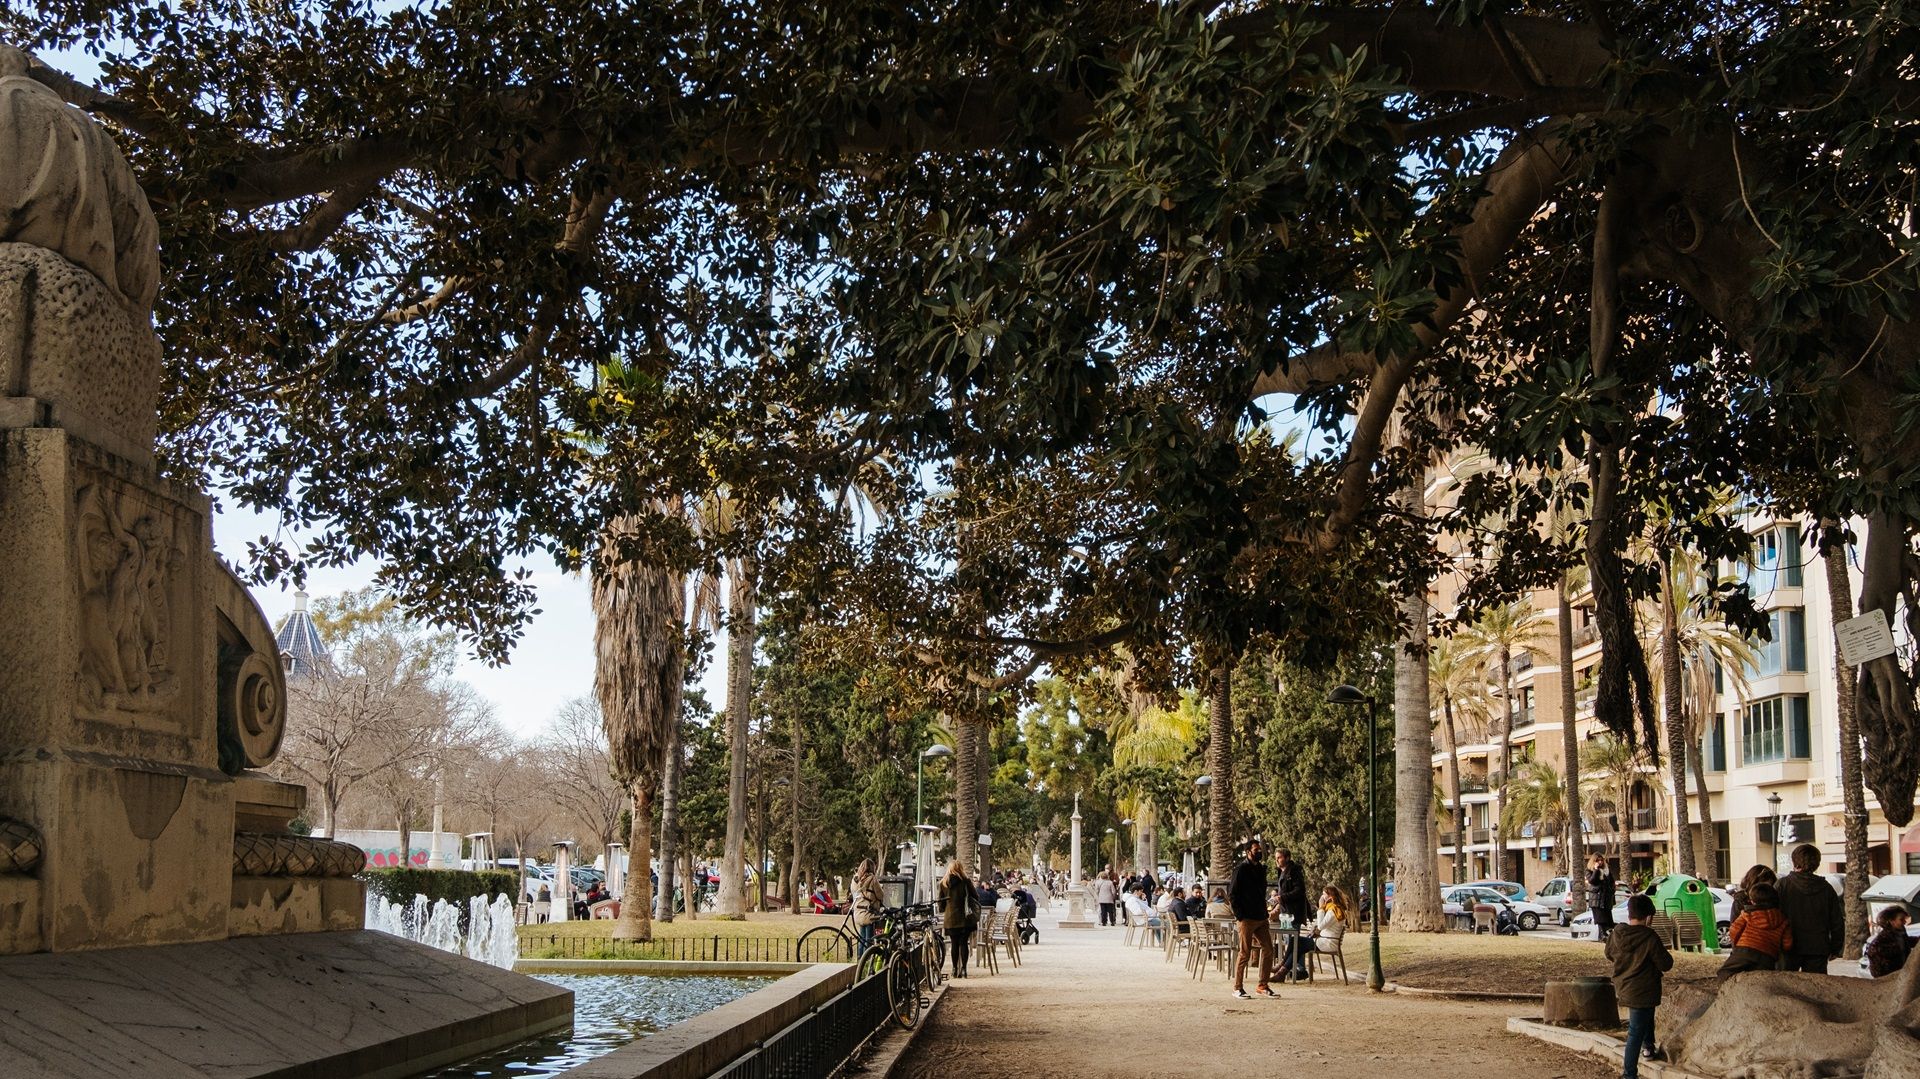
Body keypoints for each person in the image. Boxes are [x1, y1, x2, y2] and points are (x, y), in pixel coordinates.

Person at [1609, 894, 1673, 1079]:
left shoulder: (1616, 934)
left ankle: (1649, 1048)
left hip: (1625, 985)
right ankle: (1629, 1074)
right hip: (1644, 988)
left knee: (1646, 1018)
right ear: (1649, 916)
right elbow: (1665, 964)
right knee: (1635, 1031)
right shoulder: (1649, 937)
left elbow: (1609, 953)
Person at [1777, 843, 1844, 973]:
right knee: (1815, 990)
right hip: (1817, 947)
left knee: (1786, 989)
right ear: (1817, 864)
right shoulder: (1826, 888)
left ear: (1794, 862)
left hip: (1788, 947)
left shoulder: (1782, 886)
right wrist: (1836, 948)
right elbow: (1837, 921)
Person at [1229, 840, 1277, 999]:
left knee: (1269, 949)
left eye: (1259, 849)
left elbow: (1261, 892)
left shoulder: (1261, 869)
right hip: (1246, 918)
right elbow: (1233, 894)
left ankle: (1263, 985)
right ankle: (1237, 987)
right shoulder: (1240, 869)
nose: (1259, 852)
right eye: (1256, 850)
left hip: (1261, 916)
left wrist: (1264, 912)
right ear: (1248, 851)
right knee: (1245, 953)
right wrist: (1239, 915)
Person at [1717, 880, 1792, 979]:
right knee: (1761, 979)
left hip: (1745, 950)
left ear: (1753, 901)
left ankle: (1728, 992)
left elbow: (1734, 930)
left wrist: (1738, 945)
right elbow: (1787, 944)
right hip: (1768, 957)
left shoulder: (1747, 914)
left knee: (1724, 972)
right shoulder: (1783, 920)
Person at [941, 859, 981, 978]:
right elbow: (975, 896)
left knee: (954, 944)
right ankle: (963, 969)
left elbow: (941, 904)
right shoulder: (966, 882)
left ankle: (954, 969)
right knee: (963, 943)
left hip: (950, 918)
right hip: (965, 918)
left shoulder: (943, 883)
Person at [1273, 848, 1309, 979]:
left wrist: (1283, 897)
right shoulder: (1281, 872)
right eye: (1276, 858)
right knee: (1289, 940)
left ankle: (1299, 969)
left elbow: (1299, 890)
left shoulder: (1294, 871)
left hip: (1293, 913)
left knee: (1294, 941)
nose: (1277, 860)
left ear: (1287, 858)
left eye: (1279, 857)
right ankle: (1294, 968)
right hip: (1285, 912)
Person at [1296, 885, 1348, 972]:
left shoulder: (1333, 910)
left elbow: (1320, 926)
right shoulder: (1332, 908)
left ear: (1330, 897)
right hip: (1325, 941)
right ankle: (1288, 969)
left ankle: (1290, 969)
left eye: (1324, 894)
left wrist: (1320, 907)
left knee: (1296, 942)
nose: (1322, 897)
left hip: (1327, 943)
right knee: (1296, 943)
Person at [1866, 906, 1913, 978]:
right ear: (1891, 921)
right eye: (1901, 919)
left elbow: (1907, 941)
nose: (1904, 922)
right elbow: (1877, 972)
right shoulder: (1879, 944)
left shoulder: (1900, 933)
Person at [851, 858, 881, 956]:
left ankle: (860, 961)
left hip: (858, 911)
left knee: (861, 939)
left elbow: (854, 893)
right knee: (869, 941)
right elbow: (880, 895)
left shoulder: (855, 879)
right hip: (869, 912)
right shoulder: (872, 879)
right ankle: (867, 961)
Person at [1587, 854, 1617, 941]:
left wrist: (1612, 890)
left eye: (1601, 860)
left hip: (1606, 900)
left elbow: (1612, 882)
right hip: (1596, 900)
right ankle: (1602, 937)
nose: (1600, 862)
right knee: (1601, 921)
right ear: (1593, 861)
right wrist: (1596, 870)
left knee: (1608, 921)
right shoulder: (1590, 870)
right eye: (1597, 860)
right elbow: (1592, 881)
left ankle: (1606, 937)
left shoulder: (1607, 871)